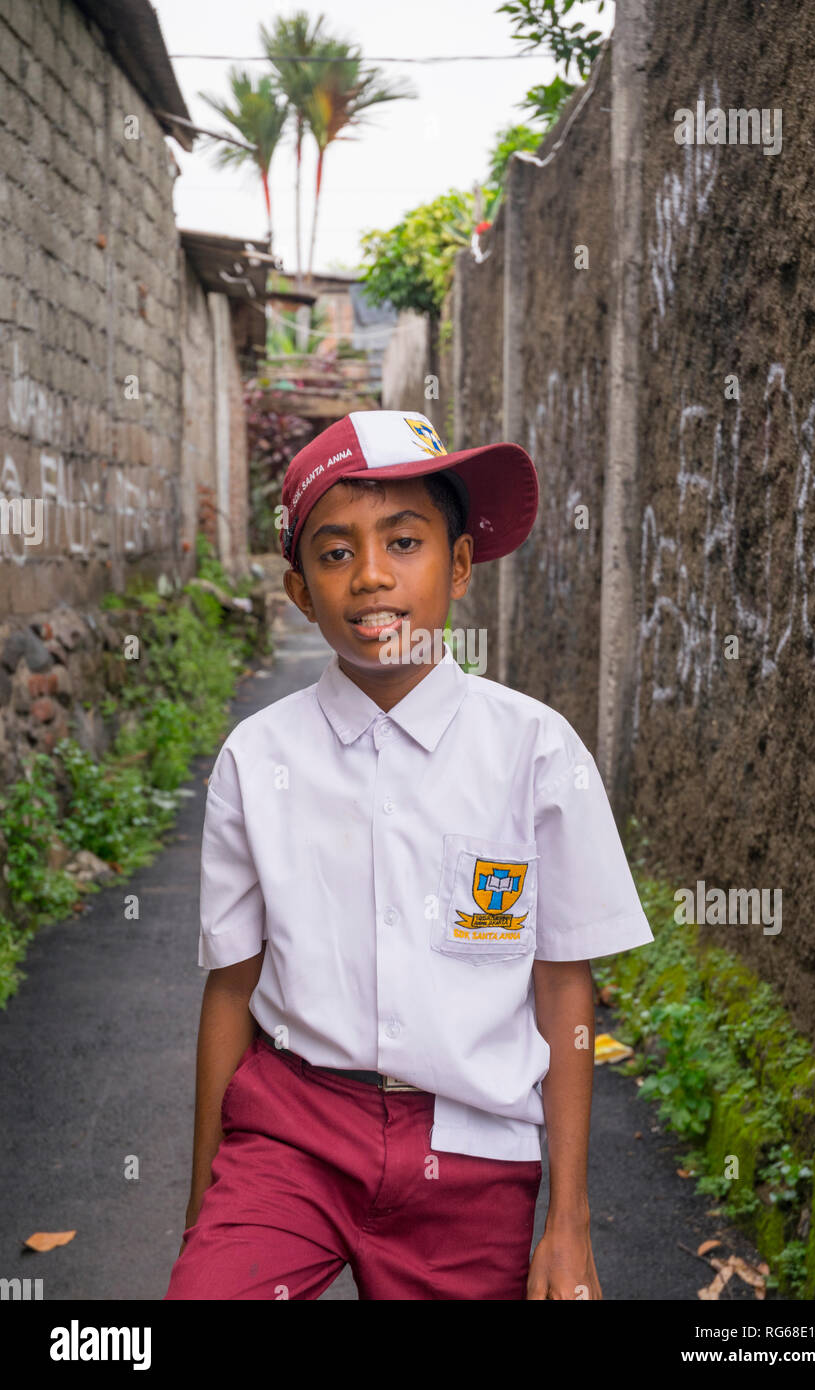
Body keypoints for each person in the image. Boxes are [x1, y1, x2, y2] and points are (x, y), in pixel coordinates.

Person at [164, 408, 654, 1301]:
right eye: (336, 551)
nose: (373, 576)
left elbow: (562, 984)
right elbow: (231, 985)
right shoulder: (257, 760)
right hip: (292, 1133)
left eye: (405, 540)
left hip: (470, 1154)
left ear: (460, 565)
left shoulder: (536, 754)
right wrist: (203, 1211)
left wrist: (570, 1222)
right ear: (301, 591)